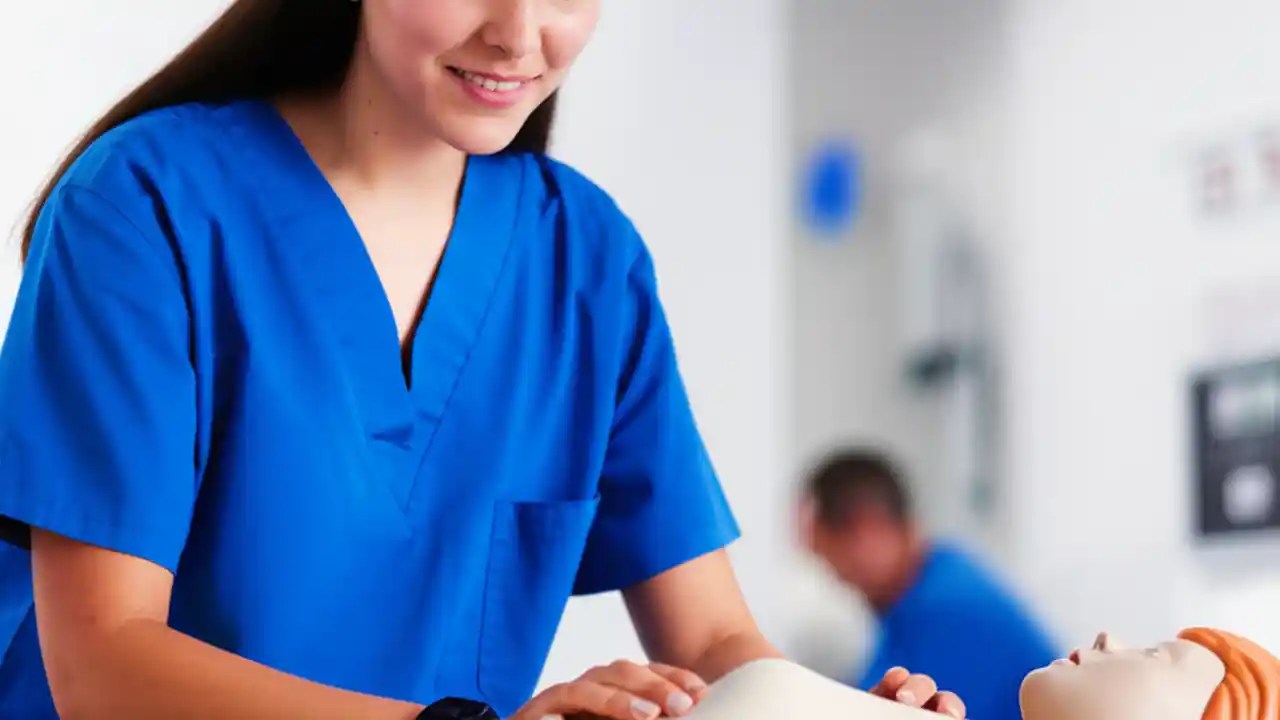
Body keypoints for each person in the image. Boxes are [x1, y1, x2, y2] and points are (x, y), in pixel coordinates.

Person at [0, 2, 968, 719]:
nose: (518, 34)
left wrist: (830, 711)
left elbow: (711, 639)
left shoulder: (581, 256)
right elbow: (102, 665)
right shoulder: (143, 206)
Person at [799, 449, 1058, 720]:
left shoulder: (947, 609)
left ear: (867, 529)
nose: (837, 580)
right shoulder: (925, 591)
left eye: (829, 561)